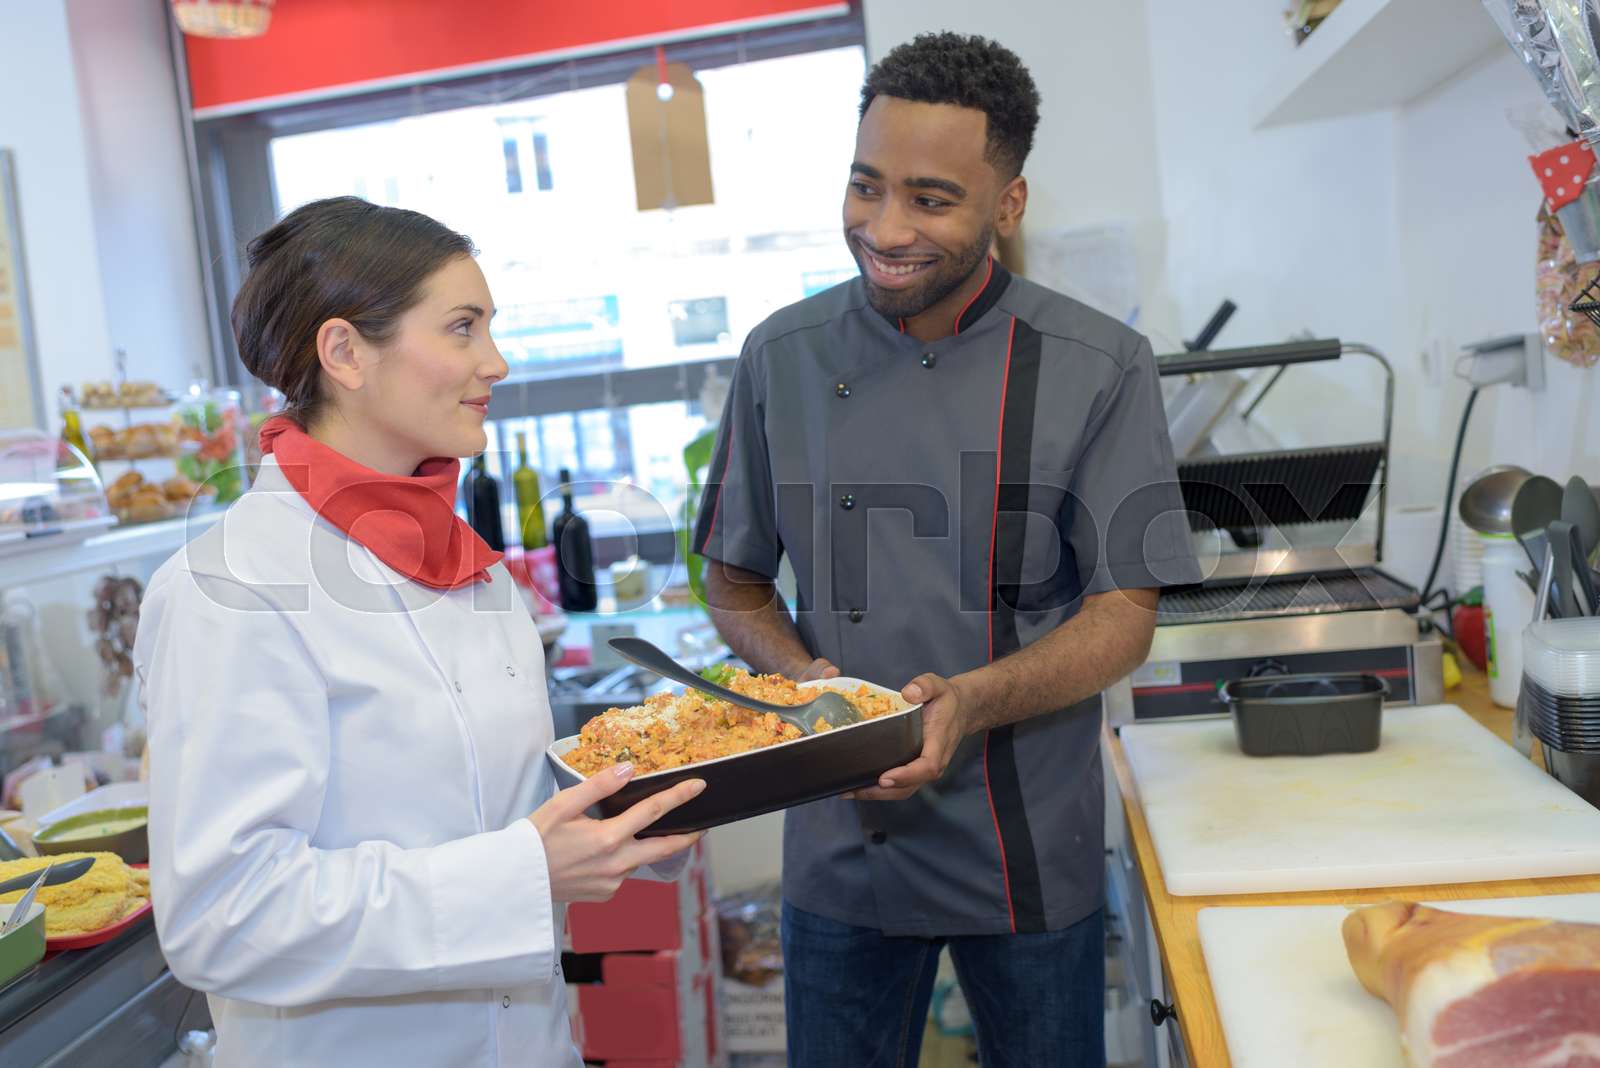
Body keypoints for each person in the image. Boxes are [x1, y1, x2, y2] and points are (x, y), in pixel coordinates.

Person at [693, 33, 1201, 1067]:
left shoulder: (1100, 364)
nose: (883, 228)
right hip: (837, 849)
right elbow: (733, 580)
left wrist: (964, 702)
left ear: (1006, 205)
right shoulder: (778, 357)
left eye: (929, 200)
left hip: (1027, 844)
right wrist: (810, 690)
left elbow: (1123, 615)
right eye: (864, 187)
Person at [133, 197, 703, 1067]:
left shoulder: (466, 569)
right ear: (345, 352)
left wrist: (650, 806)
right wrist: (521, 877)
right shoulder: (231, 588)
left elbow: (501, 810)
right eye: (463, 329)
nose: (497, 362)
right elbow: (223, 918)